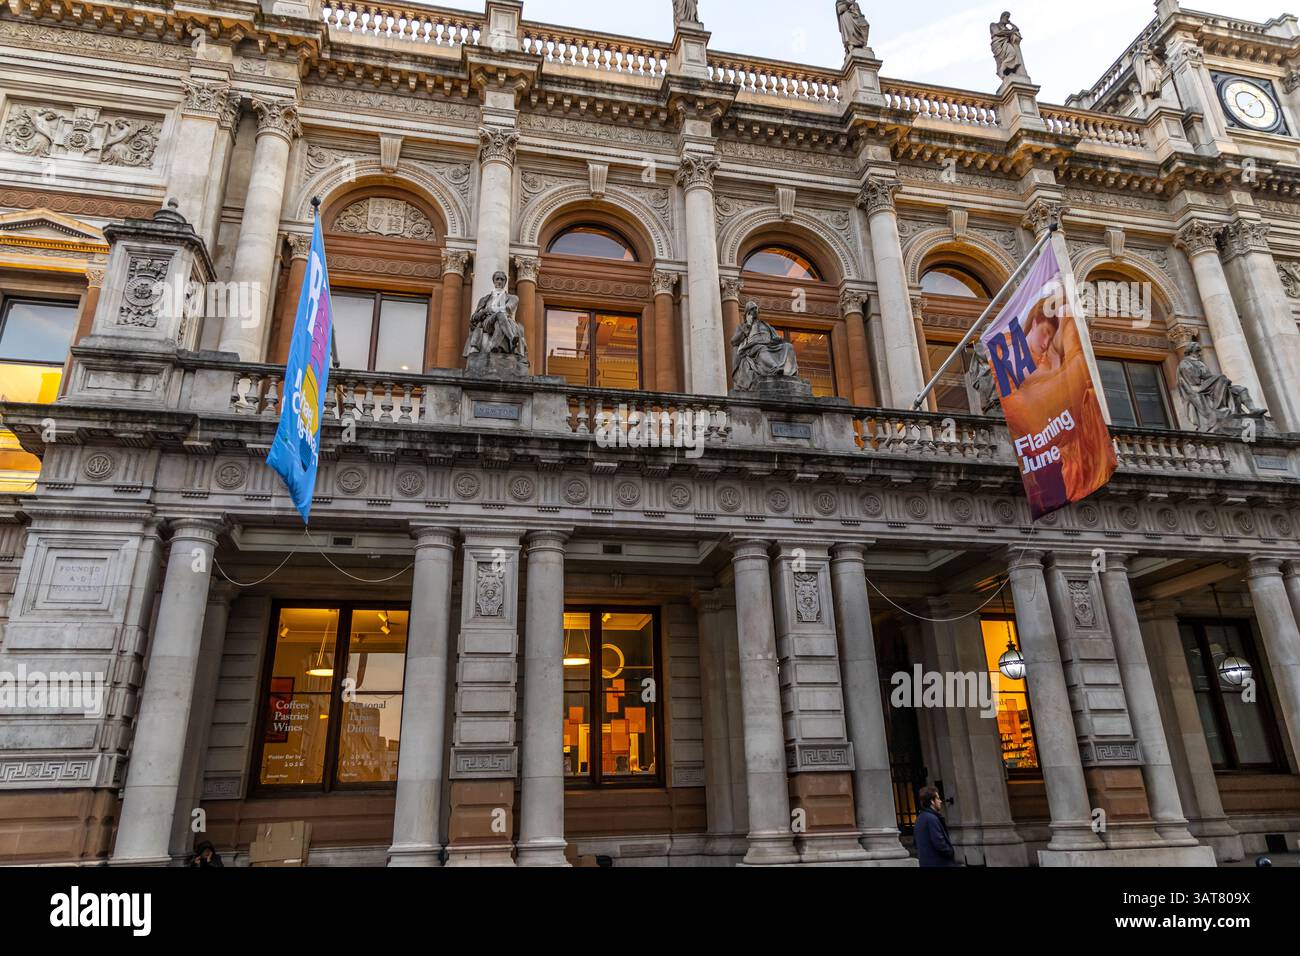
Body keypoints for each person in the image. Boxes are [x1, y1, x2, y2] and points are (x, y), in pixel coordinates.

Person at [731, 300, 799, 391]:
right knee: (761, 348)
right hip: (753, 347)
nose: (755, 311)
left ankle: (789, 373)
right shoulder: (742, 326)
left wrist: (777, 339)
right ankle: (774, 368)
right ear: (747, 313)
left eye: (756, 308)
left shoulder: (765, 325)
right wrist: (748, 326)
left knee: (788, 346)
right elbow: (734, 341)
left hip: (770, 345)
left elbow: (774, 336)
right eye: (752, 309)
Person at [914, 786, 960, 867]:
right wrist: (950, 852)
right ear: (932, 801)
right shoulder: (931, 819)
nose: (940, 801)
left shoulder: (920, 818)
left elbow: (915, 843)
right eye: (938, 798)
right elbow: (940, 844)